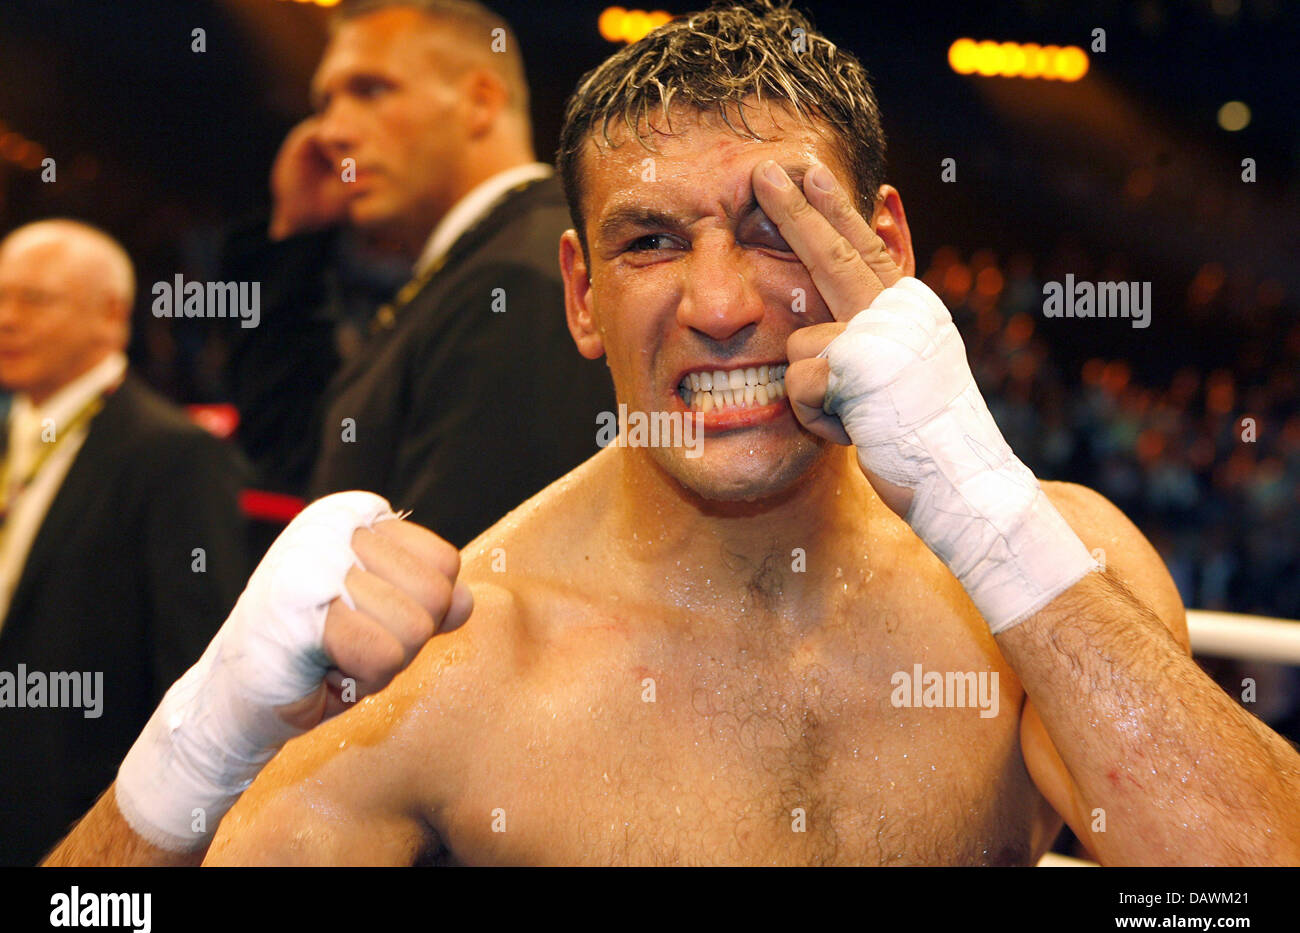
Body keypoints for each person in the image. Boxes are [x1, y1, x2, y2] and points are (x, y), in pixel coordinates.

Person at [47, 0, 1300, 867]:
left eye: (772, 224)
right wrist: (190, 748)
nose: (718, 303)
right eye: (651, 241)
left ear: (891, 252)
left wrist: (992, 515)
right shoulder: (450, 662)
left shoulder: (1048, 585)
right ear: (583, 297)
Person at [224, 0, 613, 547]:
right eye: (325, 101)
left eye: (370, 90)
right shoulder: (475, 265)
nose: (330, 131)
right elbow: (296, 462)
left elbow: (463, 588)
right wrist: (295, 239)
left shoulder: (520, 278)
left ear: (480, 102)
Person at [0, 220, 249, 865]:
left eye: (35, 300)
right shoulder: (13, 433)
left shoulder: (174, 454)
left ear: (111, 315)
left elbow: (198, 672)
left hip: (88, 829)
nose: (7, 318)